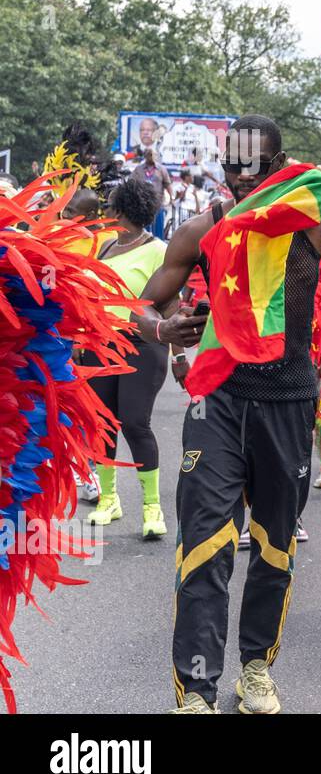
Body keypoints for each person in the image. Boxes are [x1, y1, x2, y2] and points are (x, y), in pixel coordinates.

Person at [131, 0, 321, 714]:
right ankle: (195, 688)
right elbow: (138, 307)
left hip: (288, 402)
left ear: (281, 164)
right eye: (234, 166)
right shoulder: (200, 229)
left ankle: (255, 670)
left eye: (256, 166)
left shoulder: (309, 218)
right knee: (204, 549)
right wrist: (162, 331)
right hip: (217, 402)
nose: (243, 178)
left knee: (275, 551)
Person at [83, 181, 183, 537]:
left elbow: (171, 305)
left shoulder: (159, 250)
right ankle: (108, 499)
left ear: (123, 211)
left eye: (110, 207)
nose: (106, 212)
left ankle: (152, 508)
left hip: (142, 345)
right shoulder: (105, 246)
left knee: (135, 423)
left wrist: (180, 356)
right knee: (102, 423)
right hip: (99, 345)